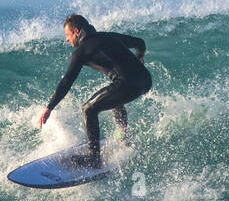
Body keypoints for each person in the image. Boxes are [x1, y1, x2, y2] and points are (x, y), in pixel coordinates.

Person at [38, 14, 151, 168]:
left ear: (76, 31)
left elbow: (67, 81)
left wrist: (49, 107)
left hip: (128, 85)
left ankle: (94, 158)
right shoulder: (109, 36)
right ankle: (124, 137)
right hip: (145, 80)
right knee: (114, 99)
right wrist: (139, 56)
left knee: (88, 109)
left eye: (67, 35)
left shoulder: (81, 52)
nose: (67, 40)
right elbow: (140, 42)